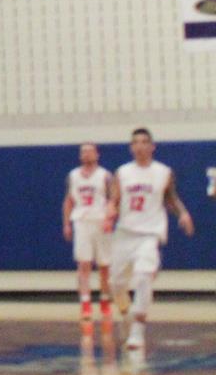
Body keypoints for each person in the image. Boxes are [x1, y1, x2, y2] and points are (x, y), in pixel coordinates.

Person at [111, 128, 196, 357]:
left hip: (149, 234)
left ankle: (137, 332)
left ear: (152, 146)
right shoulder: (122, 173)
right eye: (135, 142)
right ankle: (126, 315)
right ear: (131, 148)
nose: (139, 146)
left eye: (144, 142)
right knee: (116, 284)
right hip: (124, 233)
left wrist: (183, 214)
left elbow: (171, 198)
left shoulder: (163, 172)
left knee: (143, 278)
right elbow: (114, 200)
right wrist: (109, 213)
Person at [64, 142, 118, 323]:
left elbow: (113, 200)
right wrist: (66, 224)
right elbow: (69, 201)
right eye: (83, 152)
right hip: (81, 221)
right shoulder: (73, 175)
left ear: (97, 154)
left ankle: (105, 301)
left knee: (104, 265)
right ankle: (85, 304)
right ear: (80, 156)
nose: (86, 154)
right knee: (83, 264)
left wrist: (110, 219)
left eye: (90, 151)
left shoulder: (105, 175)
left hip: (101, 222)